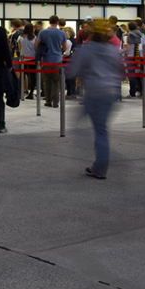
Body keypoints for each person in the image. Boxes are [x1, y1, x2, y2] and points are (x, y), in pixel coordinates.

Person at [67, 18, 126, 179]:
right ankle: (101, 160)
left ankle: (100, 165)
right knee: (101, 129)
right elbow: (120, 69)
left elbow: (73, 71)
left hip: (94, 92)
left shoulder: (87, 49)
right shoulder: (112, 49)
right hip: (111, 92)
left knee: (89, 129)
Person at [37, 16, 67, 109]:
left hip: (46, 60)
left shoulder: (43, 32)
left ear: (49, 22)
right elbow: (65, 48)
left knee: (47, 81)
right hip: (57, 60)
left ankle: (48, 100)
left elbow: (36, 45)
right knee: (56, 81)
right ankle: (56, 102)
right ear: (57, 22)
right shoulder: (62, 33)